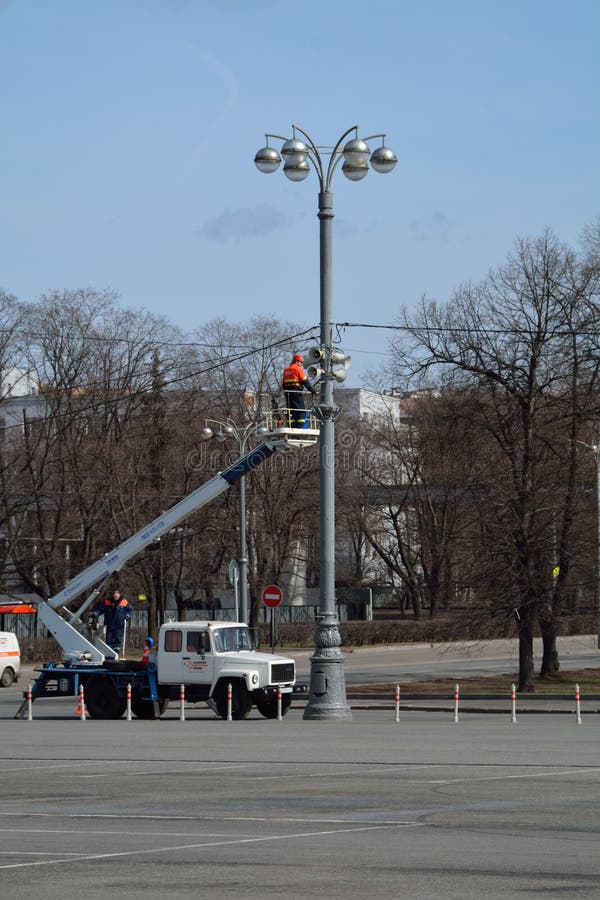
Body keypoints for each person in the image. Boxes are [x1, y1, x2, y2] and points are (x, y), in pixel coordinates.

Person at [90, 589, 133, 654]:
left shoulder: (124, 602)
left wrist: (127, 616)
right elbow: (100, 610)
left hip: (119, 624)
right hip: (109, 624)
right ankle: (108, 652)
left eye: (116, 595)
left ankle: (116, 652)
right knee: (108, 638)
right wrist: (96, 614)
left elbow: (129, 611)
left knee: (117, 638)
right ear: (112, 595)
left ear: (119, 595)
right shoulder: (106, 602)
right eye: (114, 595)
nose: (115, 597)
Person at [282, 353, 315, 428]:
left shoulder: (286, 370)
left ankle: (292, 426)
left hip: (288, 394)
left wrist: (286, 393)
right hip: (296, 393)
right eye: (301, 362)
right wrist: (312, 390)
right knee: (301, 411)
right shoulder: (297, 369)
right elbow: (305, 381)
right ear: (297, 362)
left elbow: (283, 384)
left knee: (291, 411)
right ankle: (300, 426)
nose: (301, 365)